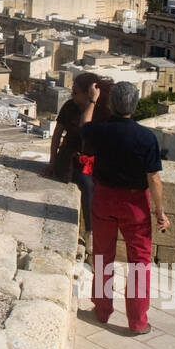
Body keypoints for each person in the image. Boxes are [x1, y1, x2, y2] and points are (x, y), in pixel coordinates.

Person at [81, 80, 170, 335]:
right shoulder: (146, 137)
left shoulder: (101, 130)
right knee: (140, 262)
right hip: (135, 205)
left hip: (104, 198)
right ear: (136, 104)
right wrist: (160, 212)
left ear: (111, 103)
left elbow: (84, 125)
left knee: (102, 256)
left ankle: (102, 310)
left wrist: (92, 99)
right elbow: (154, 179)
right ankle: (138, 321)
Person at [48, 73, 110, 237]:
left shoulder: (103, 111)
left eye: (75, 92)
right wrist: (52, 162)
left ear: (88, 93)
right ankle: (90, 232)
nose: (72, 95)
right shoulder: (70, 107)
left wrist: (92, 102)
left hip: (93, 161)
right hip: (70, 159)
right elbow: (57, 135)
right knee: (87, 184)